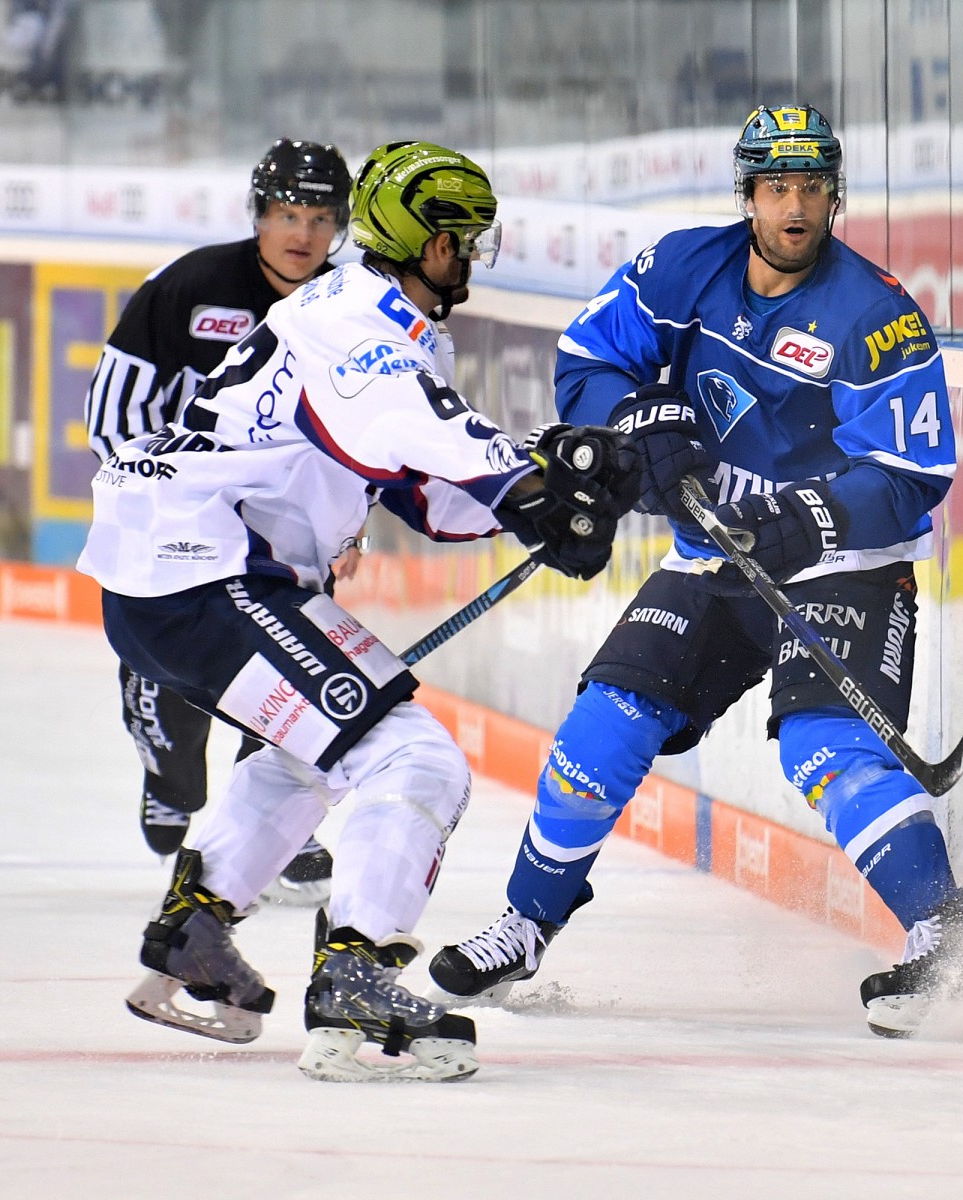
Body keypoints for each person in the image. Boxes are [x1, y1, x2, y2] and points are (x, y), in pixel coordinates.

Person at [76, 140, 639, 1081]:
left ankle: (194, 932)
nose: (472, 254)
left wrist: (542, 488)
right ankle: (356, 977)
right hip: (199, 569)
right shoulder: (353, 324)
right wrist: (532, 482)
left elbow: (427, 486)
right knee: (414, 757)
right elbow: (416, 430)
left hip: (206, 571)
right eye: (461, 236)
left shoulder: (386, 324)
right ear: (421, 241)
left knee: (311, 757)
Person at [427, 105, 963, 1038]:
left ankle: (951, 939)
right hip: (711, 559)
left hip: (844, 565)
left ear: (834, 195)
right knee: (600, 730)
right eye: (778, 188)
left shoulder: (875, 314)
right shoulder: (683, 268)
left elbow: (910, 475)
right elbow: (589, 358)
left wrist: (803, 516)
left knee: (826, 748)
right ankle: (525, 925)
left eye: (813, 187)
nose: (797, 207)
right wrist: (641, 423)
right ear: (748, 195)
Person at [84, 138, 354, 904]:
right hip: (178, 536)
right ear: (259, 215)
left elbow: (365, 428)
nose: (302, 234)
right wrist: (172, 497)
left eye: (320, 217)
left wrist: (347, 517)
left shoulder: (345, 306)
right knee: (174, 693)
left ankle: (273, 828)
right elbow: (113, 413)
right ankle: (167, 772)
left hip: (283, 541)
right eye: (286, 214)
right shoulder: (190, 286)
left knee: (284, 684)